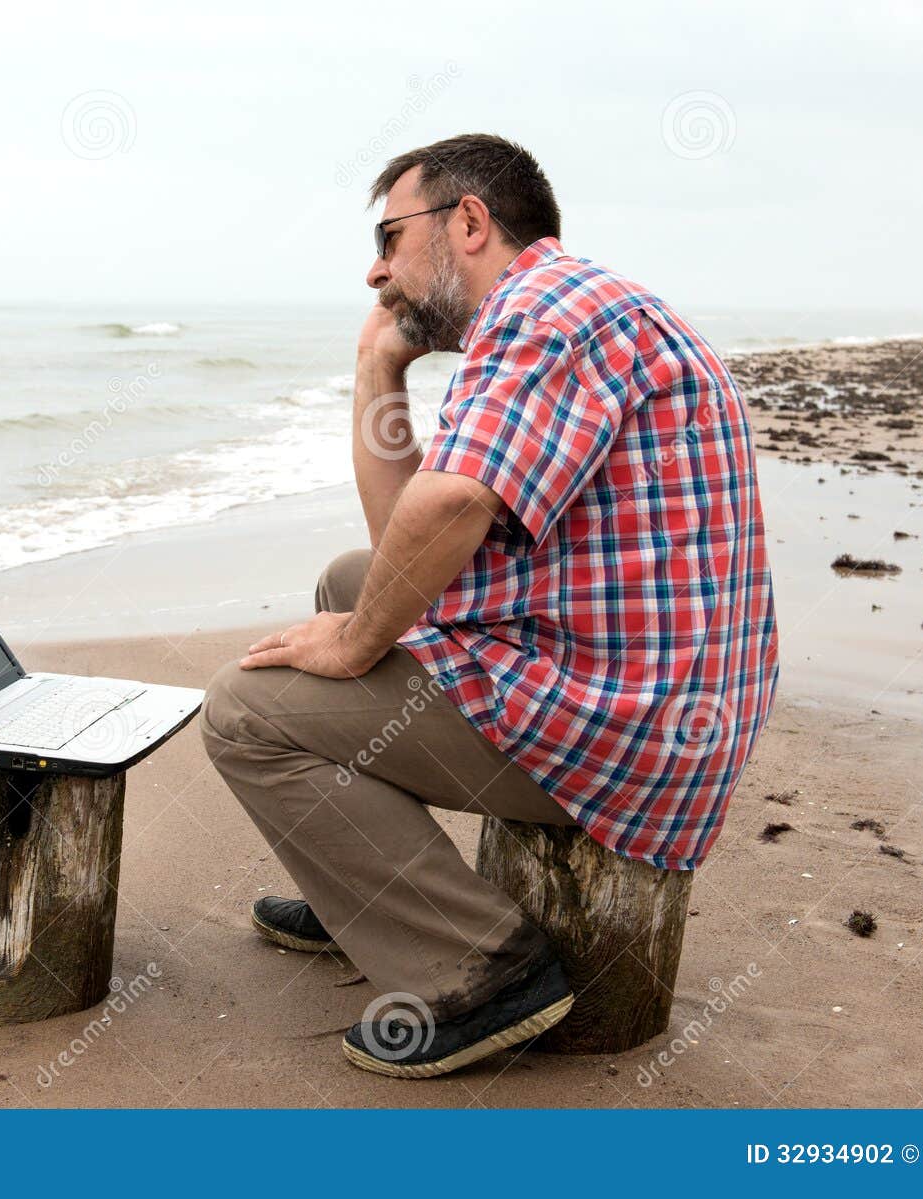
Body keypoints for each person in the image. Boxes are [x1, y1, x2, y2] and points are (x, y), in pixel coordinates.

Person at [199, 133, 780, 1079]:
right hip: (650, 686)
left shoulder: (543, 314)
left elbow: (453, 501)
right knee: (354, 578)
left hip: (634, 731)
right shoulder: (573, 301)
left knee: (242, 710)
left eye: (391, 235)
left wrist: (352, 649)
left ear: (468, 222)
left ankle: (482, 975)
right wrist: (377, 364)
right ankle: (371, 894)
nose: (376, 268)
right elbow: (404, 540)